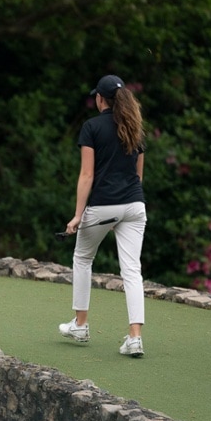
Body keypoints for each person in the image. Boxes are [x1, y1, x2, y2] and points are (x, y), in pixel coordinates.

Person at [60, 74, 147, 357]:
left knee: (83, 258)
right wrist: (121, 214)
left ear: (100, 99)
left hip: (103, 206)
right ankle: (135, 338)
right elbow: (138, 176)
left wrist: (77, 215)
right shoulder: (135, 128)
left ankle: (80, 325)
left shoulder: (91, 127)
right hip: (134, 205)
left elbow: (87, 175)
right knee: (132, 270)